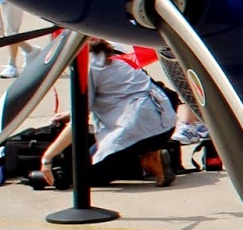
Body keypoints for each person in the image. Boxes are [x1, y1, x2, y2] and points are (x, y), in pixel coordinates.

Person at [30, 40, 177, 189]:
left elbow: (78, 123)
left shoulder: (86, 64)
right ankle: (149, 154)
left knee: (85, 176)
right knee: (97, 153)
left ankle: (149, 161)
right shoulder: (114, 45)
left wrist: (47, 158)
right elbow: (120, 91)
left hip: (138, 129)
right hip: (164, 120)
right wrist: (72, 112)